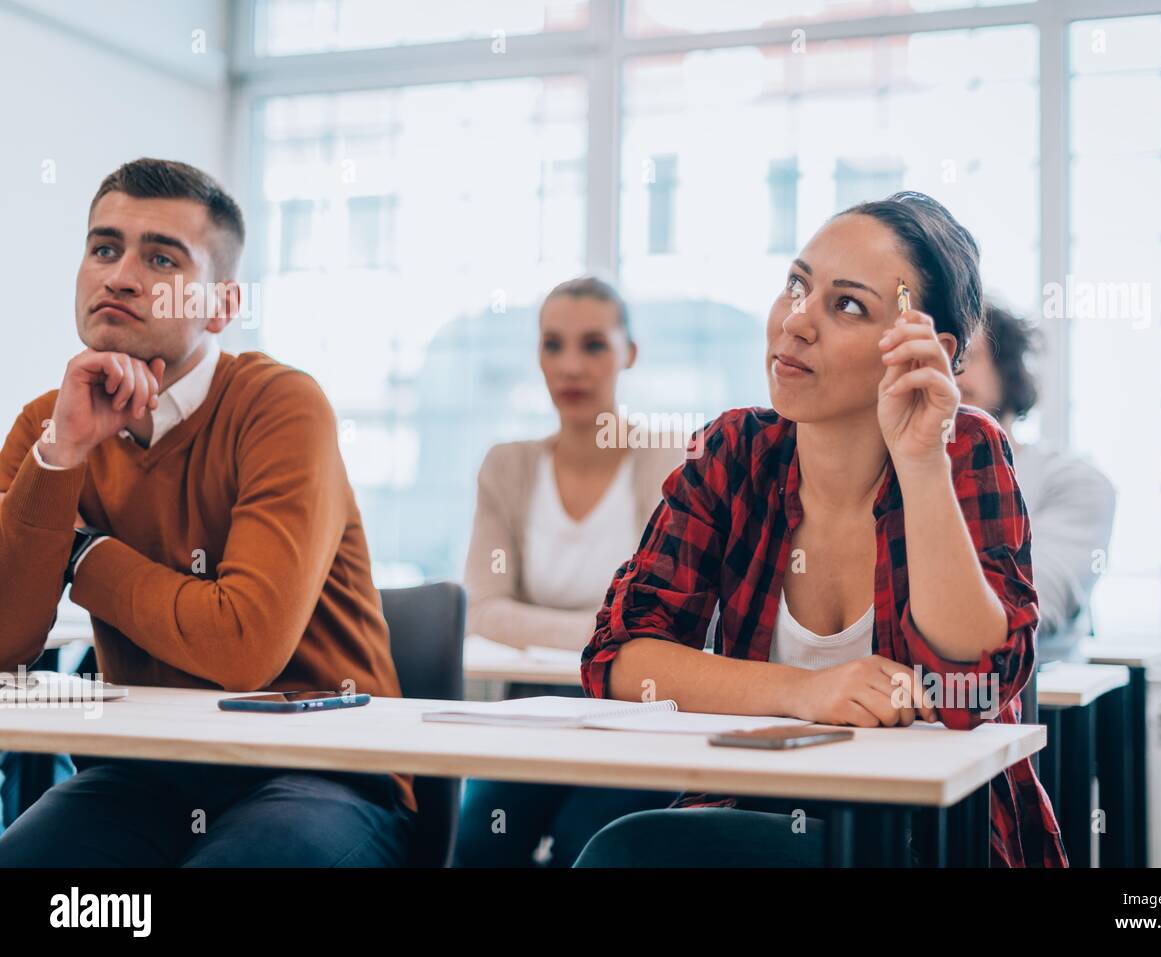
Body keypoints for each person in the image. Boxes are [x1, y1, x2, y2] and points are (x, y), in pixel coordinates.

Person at [575, 191, 1067, 867]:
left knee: (629, 853)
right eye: (796, 286)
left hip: (931, 836)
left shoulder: (963, 448)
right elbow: (621, 657)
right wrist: (805, 692)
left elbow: (974, 686)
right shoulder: (732, 452)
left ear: (929, 348)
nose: (797, 322)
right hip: (752, 807)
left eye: (848, 305)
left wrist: (921, 460)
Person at [0, 158, 414, 866]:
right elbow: (5, 639)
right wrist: (61, 456)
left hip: (319, 770)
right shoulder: (51, 422)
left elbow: (242, 647)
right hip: (143, 770)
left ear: (221, 305)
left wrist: (83, 553)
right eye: (104, 248)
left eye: (160, 258)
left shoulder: (281, 405)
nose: (121, 275)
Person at [455, 277, 680, 867]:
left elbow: (664, 623)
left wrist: (539, 628)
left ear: (628, 354)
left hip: (634, 719)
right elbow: (482, 608)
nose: (571, 366)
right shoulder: (508, 466)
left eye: (594, 345)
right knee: (477, 845)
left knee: (588, 847)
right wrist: (606, 636)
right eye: (553, 345)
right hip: (534, 715)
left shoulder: (668, 459)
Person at [957, 304, 1116, 662]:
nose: (950, 374)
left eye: (967, 354)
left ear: (1009, 369)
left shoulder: (1075, 481)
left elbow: (1028, 609)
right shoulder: (896, 475)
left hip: (1039, 700)